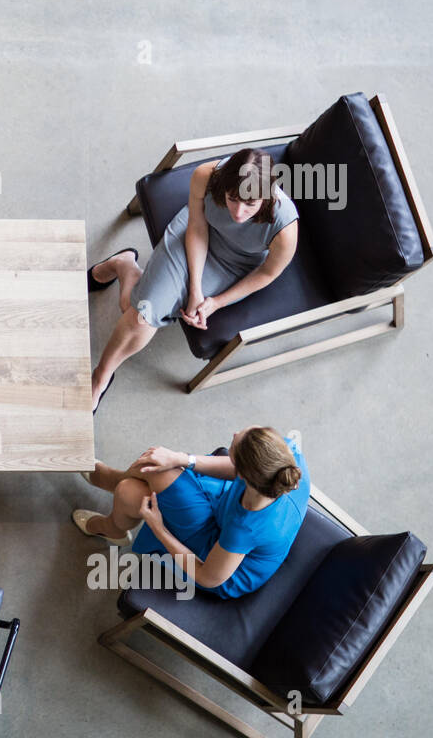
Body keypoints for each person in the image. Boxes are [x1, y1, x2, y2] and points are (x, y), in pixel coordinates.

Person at [87, 148, 299, 411]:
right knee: (143, 314)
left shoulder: (285, 229)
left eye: (250, 205)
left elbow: (267, 273)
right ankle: (100, 377)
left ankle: (126, 267)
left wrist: (215, 303)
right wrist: (195, 289)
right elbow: (197, 228)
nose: (239, 212)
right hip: (197, 236)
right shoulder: (206, 175)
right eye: (232, 199)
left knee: (135, 312)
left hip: (234, 265)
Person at [71, 426, 309, 598]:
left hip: (217, 560)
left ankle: (112, 520)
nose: (235, 434)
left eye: (234, 445)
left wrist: (158, 528)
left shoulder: (245, 526)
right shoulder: (284, 455)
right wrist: (182, 459)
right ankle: (113, 509)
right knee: (139, 482)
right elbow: (235, 468)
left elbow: (208, 576)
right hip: (226, 509)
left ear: (244, 476)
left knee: (136, 485)